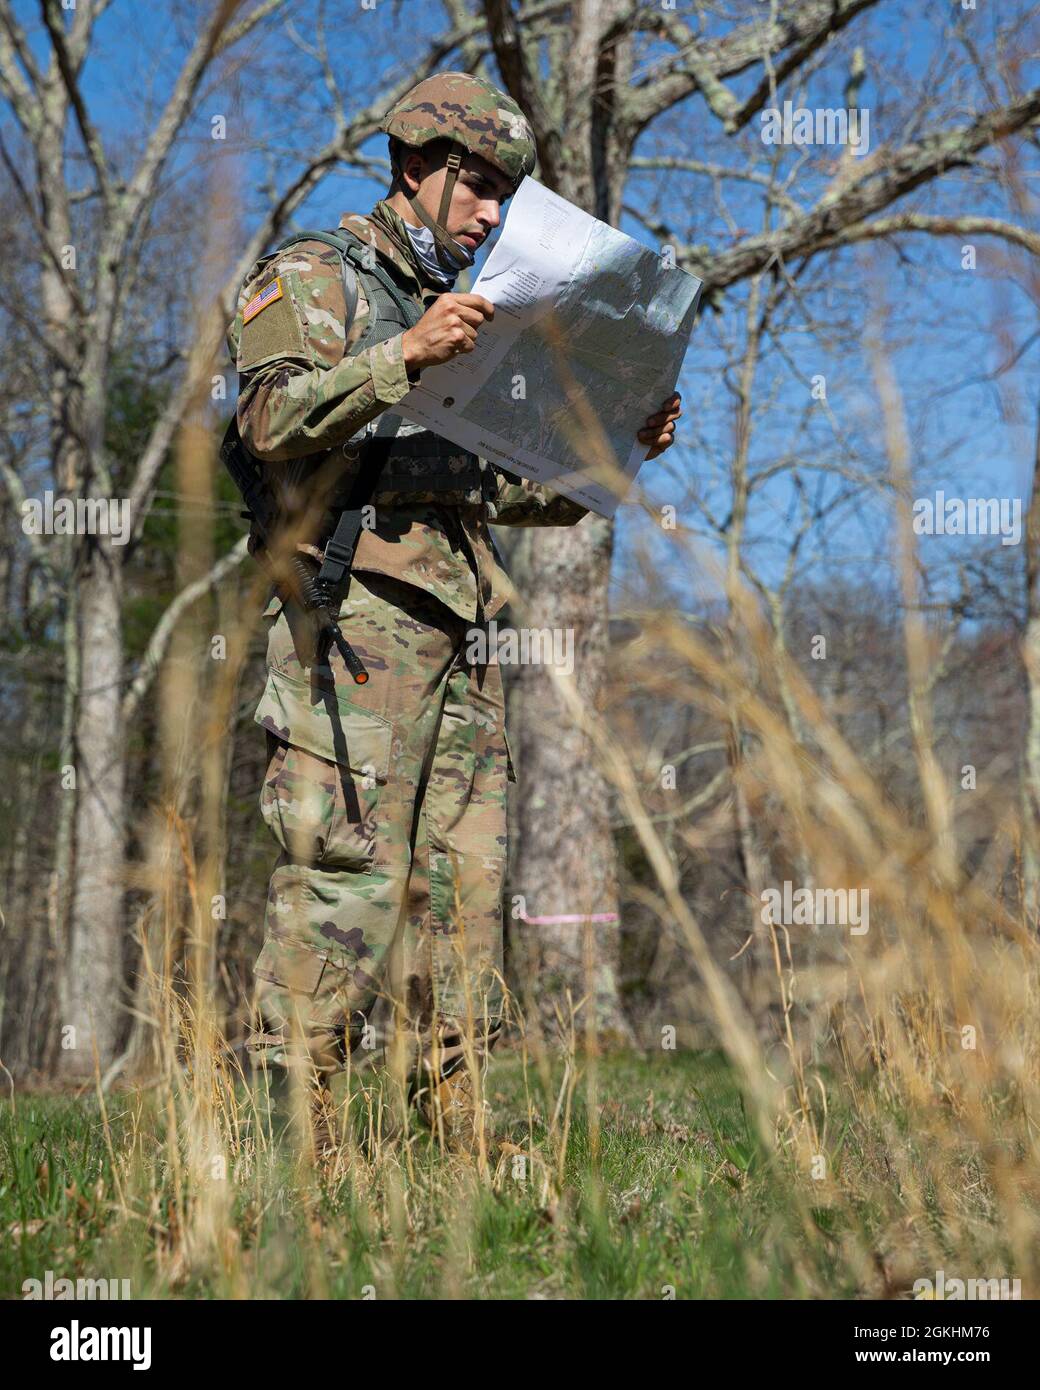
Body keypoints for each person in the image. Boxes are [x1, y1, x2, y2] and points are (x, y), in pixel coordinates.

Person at [225, 71, 682, 1159]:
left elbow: (502, 487)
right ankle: (295, 1141)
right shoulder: (316, 275)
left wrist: (614, 448)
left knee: (463, 891)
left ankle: (461, 1135)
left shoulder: (480, 316)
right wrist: (401, 356)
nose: (486, 214)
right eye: (475, 187)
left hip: (465, 639)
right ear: (413, 168)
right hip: (349, 634)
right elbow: (266, 419)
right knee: (344, 878)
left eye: (500, 197)